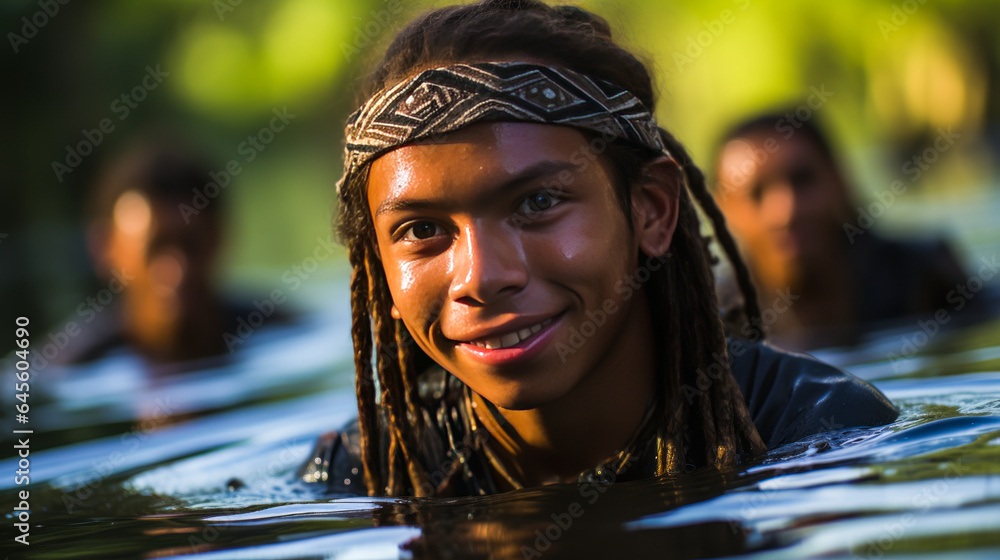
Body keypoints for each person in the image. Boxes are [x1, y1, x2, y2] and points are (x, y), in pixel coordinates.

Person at [299, 0, 898, 498]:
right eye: (423, 231)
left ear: (651, 211)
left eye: (537, 203)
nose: (482, 276)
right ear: (380, 276)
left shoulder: (819, 433)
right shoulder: (363, 475)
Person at [713, 113, 971, 349]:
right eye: (756, 194)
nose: (786, 211)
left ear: (840, 179)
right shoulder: (715, 318)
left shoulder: (927, 277)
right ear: (723, 211)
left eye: (803, 180)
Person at [58, 140, 282, 367]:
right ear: (106, 250)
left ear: (220, 239)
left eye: (191, 245)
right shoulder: (62, 367)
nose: (179, 270)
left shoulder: (281, 332)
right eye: (155, 248)